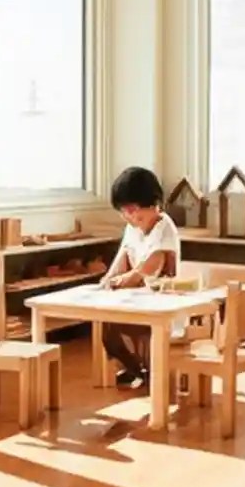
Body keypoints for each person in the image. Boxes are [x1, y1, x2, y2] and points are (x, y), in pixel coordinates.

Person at [98, 166, 181, 389]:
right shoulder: (132, 227)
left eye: (136, 213)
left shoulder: (164, 226)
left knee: (131, 327)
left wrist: (127, 278)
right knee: (107, 328)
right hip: (137, 301)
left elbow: (153, 263)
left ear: (155, 205)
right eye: (126, 213)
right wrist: (109, 278)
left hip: (162, 304)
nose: (132, 218)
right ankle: (136, 368)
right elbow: (123, 255)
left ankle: (148, 371)